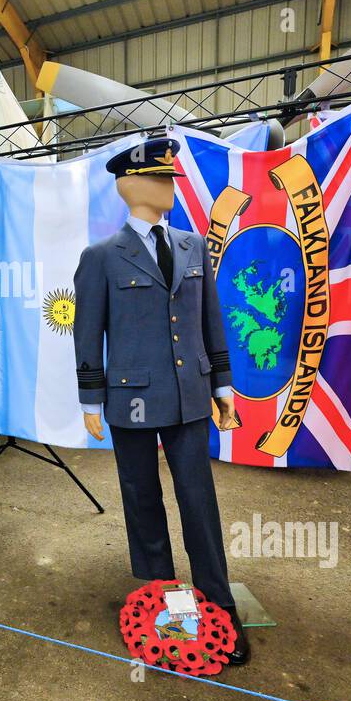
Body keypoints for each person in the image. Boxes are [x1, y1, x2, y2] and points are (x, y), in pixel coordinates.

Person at [71, 137, 249, 665]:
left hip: (190, 396)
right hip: (131, 400)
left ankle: (219, 600)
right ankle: (163, 594)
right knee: (142, 497)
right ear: (131, 186)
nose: (170, 188)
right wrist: (90, 399)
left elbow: (210, 323)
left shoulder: (194, 247)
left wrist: (222, 389)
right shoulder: (101, 258)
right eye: (161, 179)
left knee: (199, 500)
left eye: (171, 179)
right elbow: (88, 333)